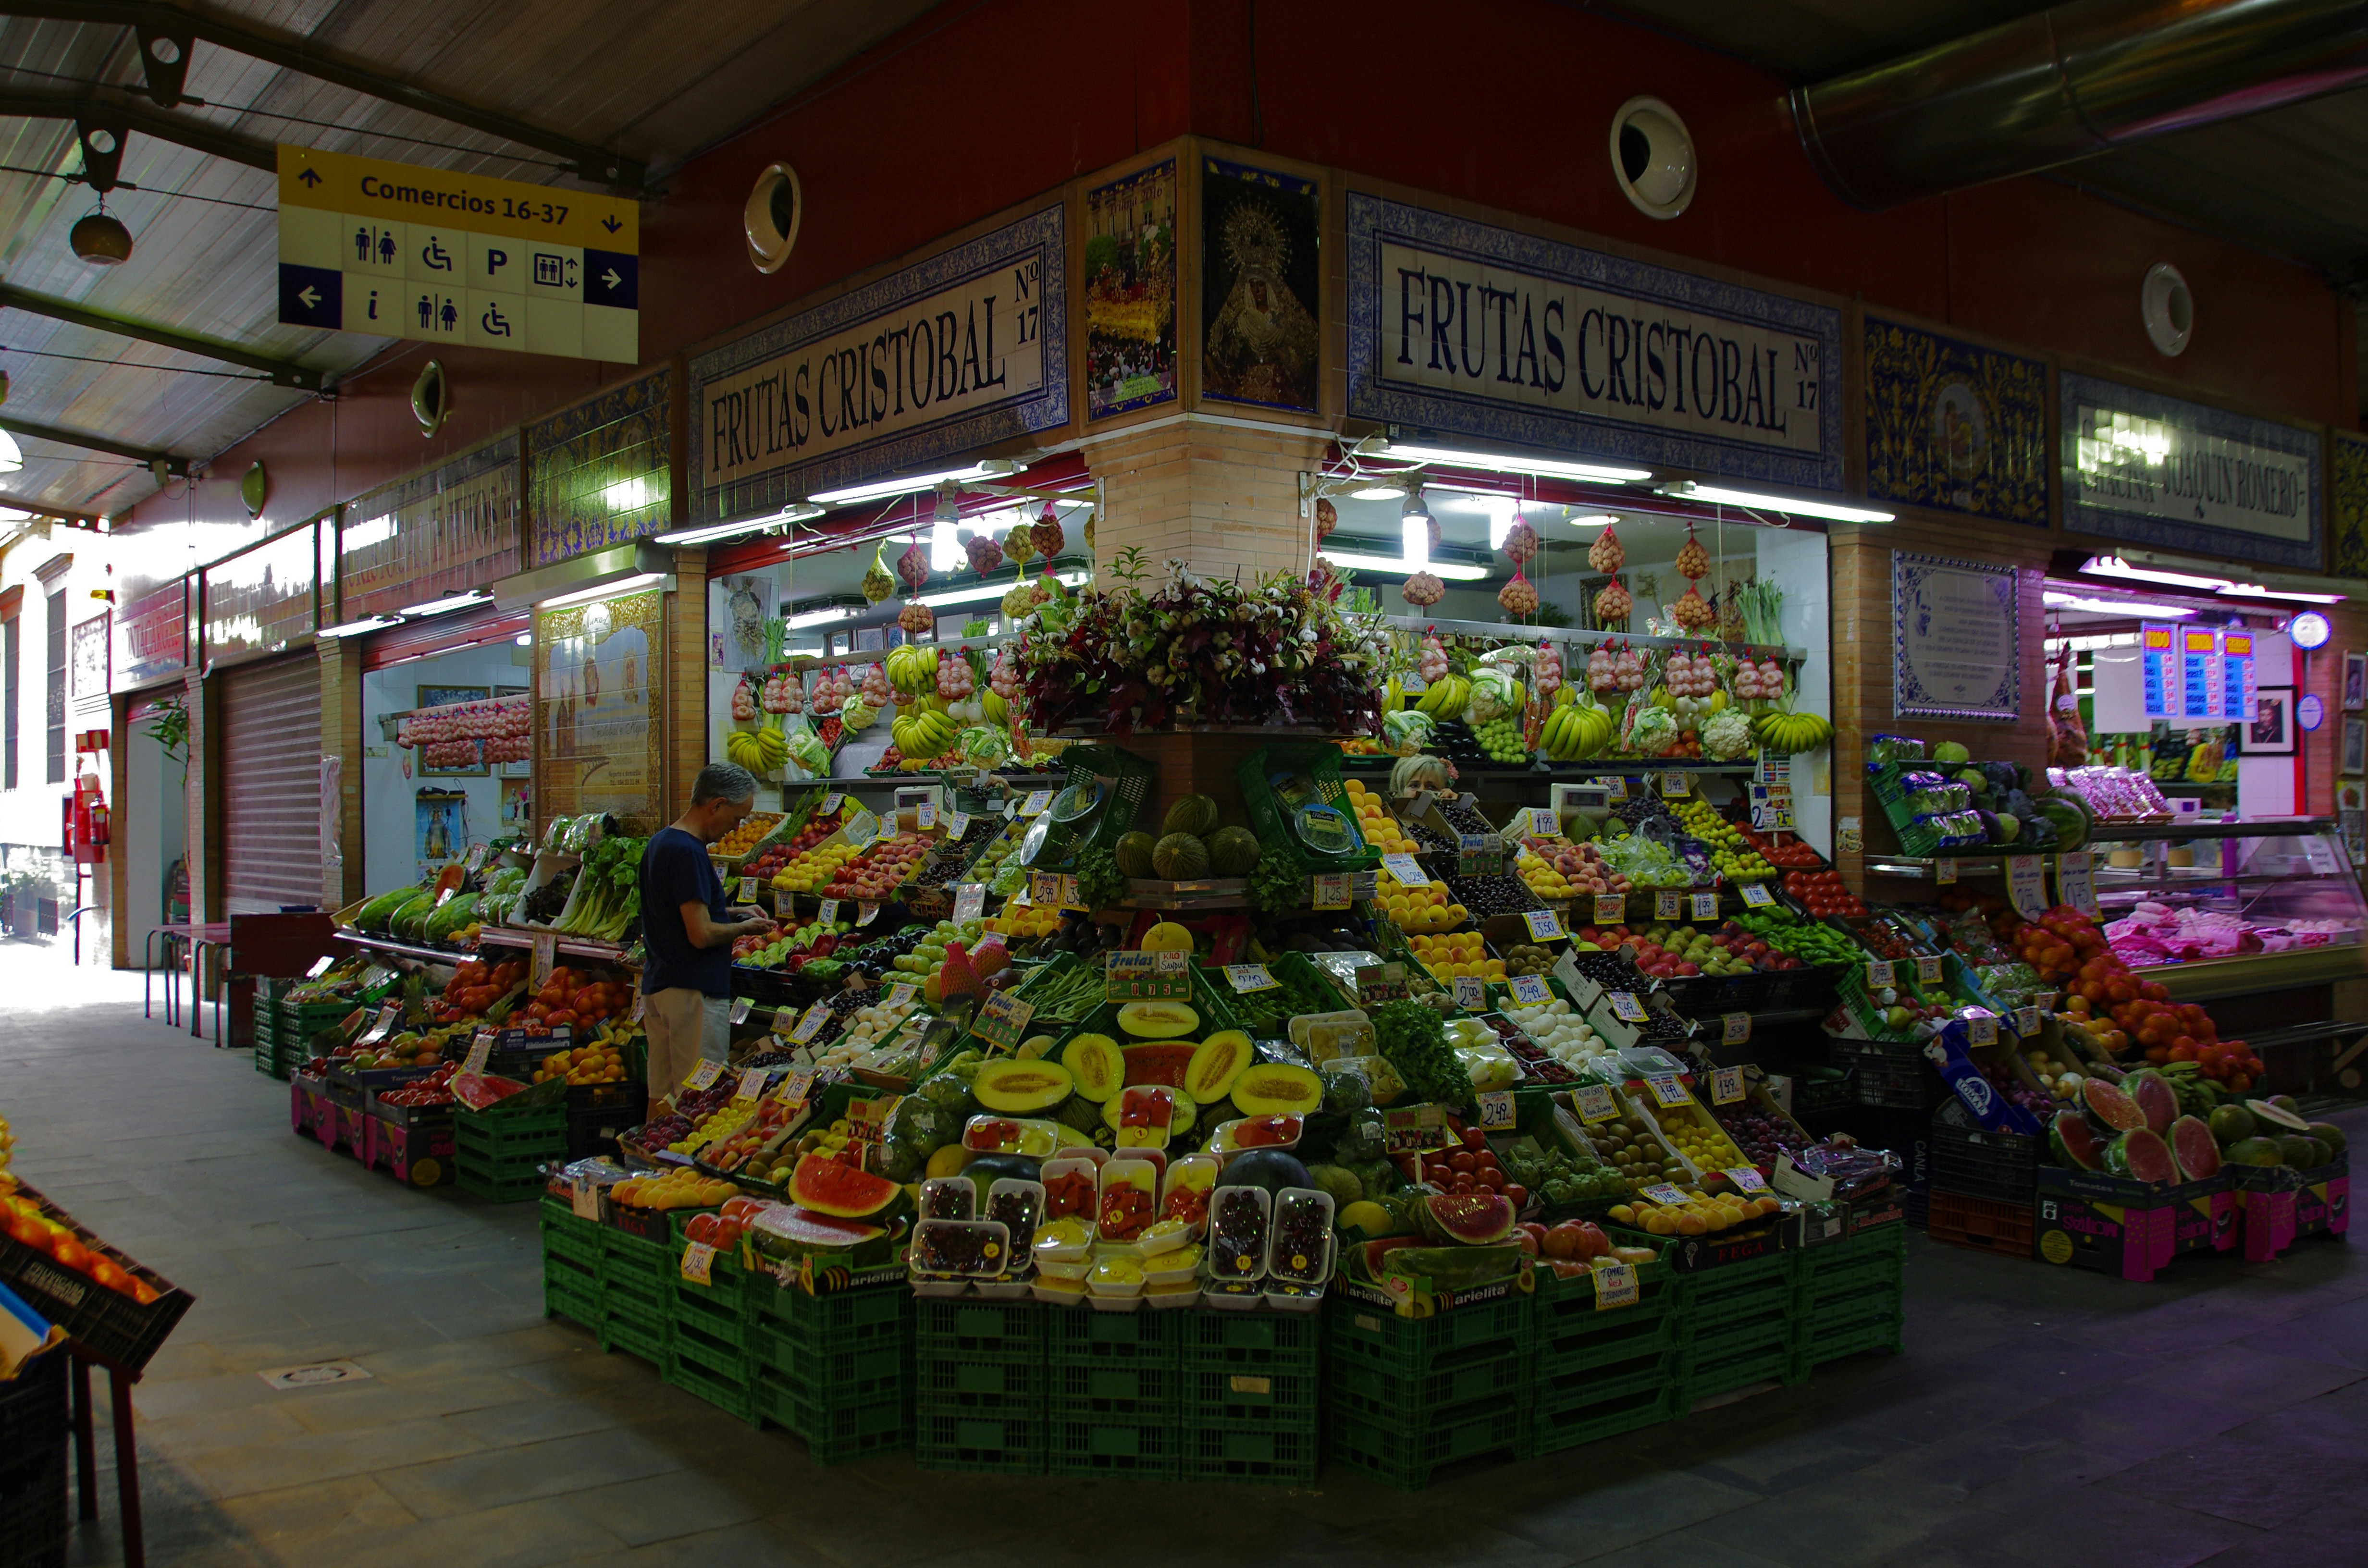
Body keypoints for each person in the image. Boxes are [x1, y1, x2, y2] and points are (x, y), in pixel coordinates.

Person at [638, 762, 776, 1115]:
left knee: (663, 1094)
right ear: (716, 805)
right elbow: (701, 935)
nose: (737, 827)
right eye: (736, 817)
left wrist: (733, 913)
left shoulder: (661, 842)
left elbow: (678, 914)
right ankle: (685, 1167)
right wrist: (748, 929)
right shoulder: (689, 852)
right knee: (699, 1097)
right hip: (692, 993)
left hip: (660, 985)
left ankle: (651, 1161)